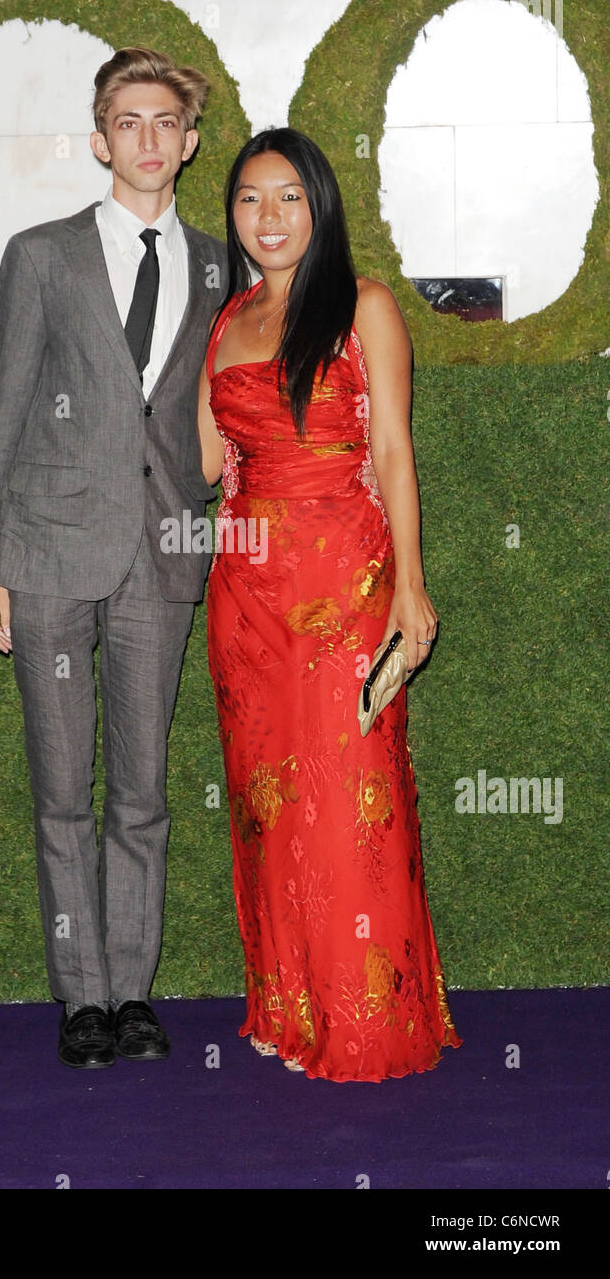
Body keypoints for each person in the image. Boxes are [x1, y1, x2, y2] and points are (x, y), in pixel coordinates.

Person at [0, 47, 226, 1069]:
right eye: (131, 122)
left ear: (190, 140)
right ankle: (80, 998)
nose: (150, 139)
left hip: (162, 555)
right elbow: (3, 414)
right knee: (63, 790)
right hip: (47, 553)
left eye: (167, 122)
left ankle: (133, 992)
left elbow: (217, 403)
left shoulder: (215, 264)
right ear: (100, 138)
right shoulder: (41, 256)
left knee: (144, 793)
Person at [198, 127, 463, 1082]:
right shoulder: (225, 320)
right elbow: (202, 458)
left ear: (320, 206)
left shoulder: (365, 306)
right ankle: (288, 1007)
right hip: (246, 593)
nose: (266, 218)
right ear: (229, 216)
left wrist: (411, 586)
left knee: (352, 795)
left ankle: (363, 1025)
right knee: (269, 805)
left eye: (287, 198)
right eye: (247, 201)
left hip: (345, 584)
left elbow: (393, 450)